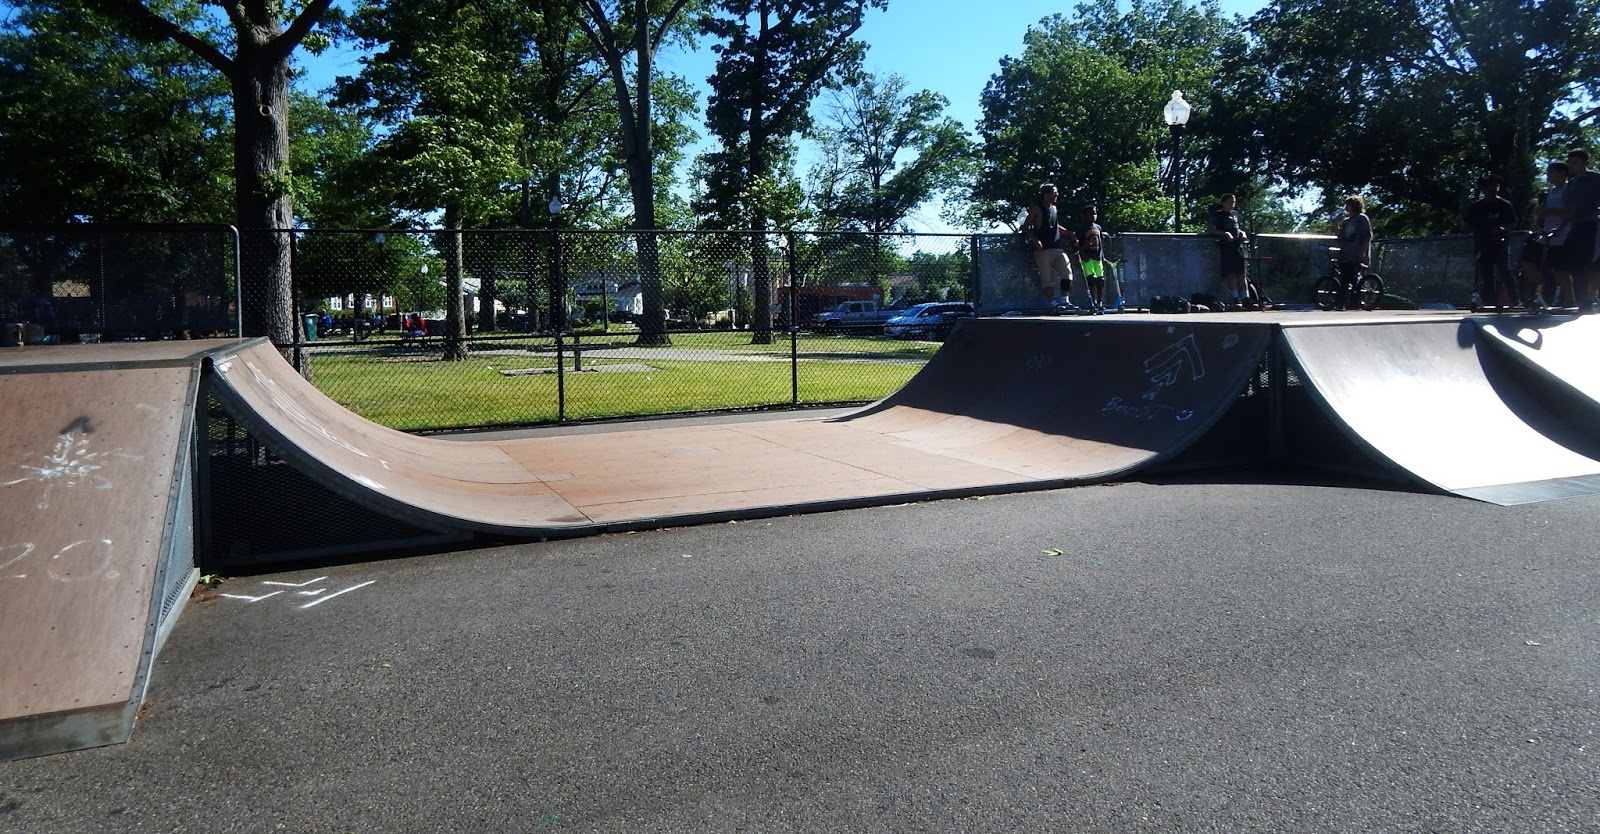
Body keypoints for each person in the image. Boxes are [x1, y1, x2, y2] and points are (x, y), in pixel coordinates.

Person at [1517, 161, 1574, 310]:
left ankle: (1570, 300)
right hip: (1547, 236)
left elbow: (1570, 213)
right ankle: (1539, 289)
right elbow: (1546, 214)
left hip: (1562, 236)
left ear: (1562, 173)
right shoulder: (1551, 192)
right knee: (1527, 261)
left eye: (1551, 172)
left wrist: (1557, 224)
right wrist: (1540, 213)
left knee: (1562, 270)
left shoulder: (1568, 190)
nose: (1548, 175)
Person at [1465, 175, 1518, 309]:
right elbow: (1468, 224)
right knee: (1486, 273)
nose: (1494, 188)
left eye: (1496, 185)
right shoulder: (1476, 206)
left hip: (1500, 243)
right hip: (1483, 243)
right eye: (1491, 185)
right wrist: (1475, 230)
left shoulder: (1504, 205)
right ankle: (1489, 301)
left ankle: (1515, 299)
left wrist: (1501, 229)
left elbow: (1512, 223)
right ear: (1484, 188)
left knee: (1504, 270)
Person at [1021, 183, 1077, 309]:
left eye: (1056, 193)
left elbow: (1055, 226)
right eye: (1053, 192)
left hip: (1057, 247)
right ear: (1045, 194)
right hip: (1043, 250)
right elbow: (1025, 227)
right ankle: (1052, 302)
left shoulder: (1054, 209)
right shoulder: (1036, 209)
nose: (1056, 195)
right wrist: (1034, 239)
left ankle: (1064, 300)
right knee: (1046, 278)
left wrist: (1069, 234)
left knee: (1067, 272)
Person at [1563, 149, 1600, 311]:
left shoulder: (1595, 178)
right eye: (1569, 162)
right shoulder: (1571, 184)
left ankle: (1590, 298)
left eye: (1575, 162)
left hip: (1594, 226)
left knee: (1593, 262)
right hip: (1577, 226)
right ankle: (1581, 300)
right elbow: (1570, 208)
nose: (1571, 166)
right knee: (1575, 264)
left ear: (1585, 163)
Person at [1205, 194, 1250, 308]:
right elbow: (1210, 230)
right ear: (1223, 202)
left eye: (1233, 202)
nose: (1232, 204)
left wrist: (1243, 234)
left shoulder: (1235, 214)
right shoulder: (1218, 215)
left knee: (1242, 274)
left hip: (1238, 246)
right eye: (1230, 202)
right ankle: (1235, 298)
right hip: (1226, 247)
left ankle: (1246, 298)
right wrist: (1225, 234)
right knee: (1232, 274)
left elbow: (1238, 228)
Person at [1333, 196, 1373, 310]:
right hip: (1346, 254)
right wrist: (1336, 224)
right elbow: (1340, 236)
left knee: (1352, 277)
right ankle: (1344, 303)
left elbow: (1367, 236)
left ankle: (1352, 302)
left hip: (1357, 253)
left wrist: (1362, 252)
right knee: (1345, 278)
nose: (1346, 207)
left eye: (1348, 205)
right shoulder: (1346, 221)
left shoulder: (1362, 218)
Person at [1075, 206, 1106, 312]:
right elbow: (1077, 244)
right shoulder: (1081, 228)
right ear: (1085, 215)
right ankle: (1092, 301)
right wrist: (1082, 253)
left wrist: (1102, 256)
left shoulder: (1098, 227)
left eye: (1094, 214)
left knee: (1100, 279)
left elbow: (1100, 243)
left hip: (1097, 257)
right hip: (1087, 258)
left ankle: (1099, 302)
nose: (1093, 216)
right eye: (1090, 214)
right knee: (1091, 279)